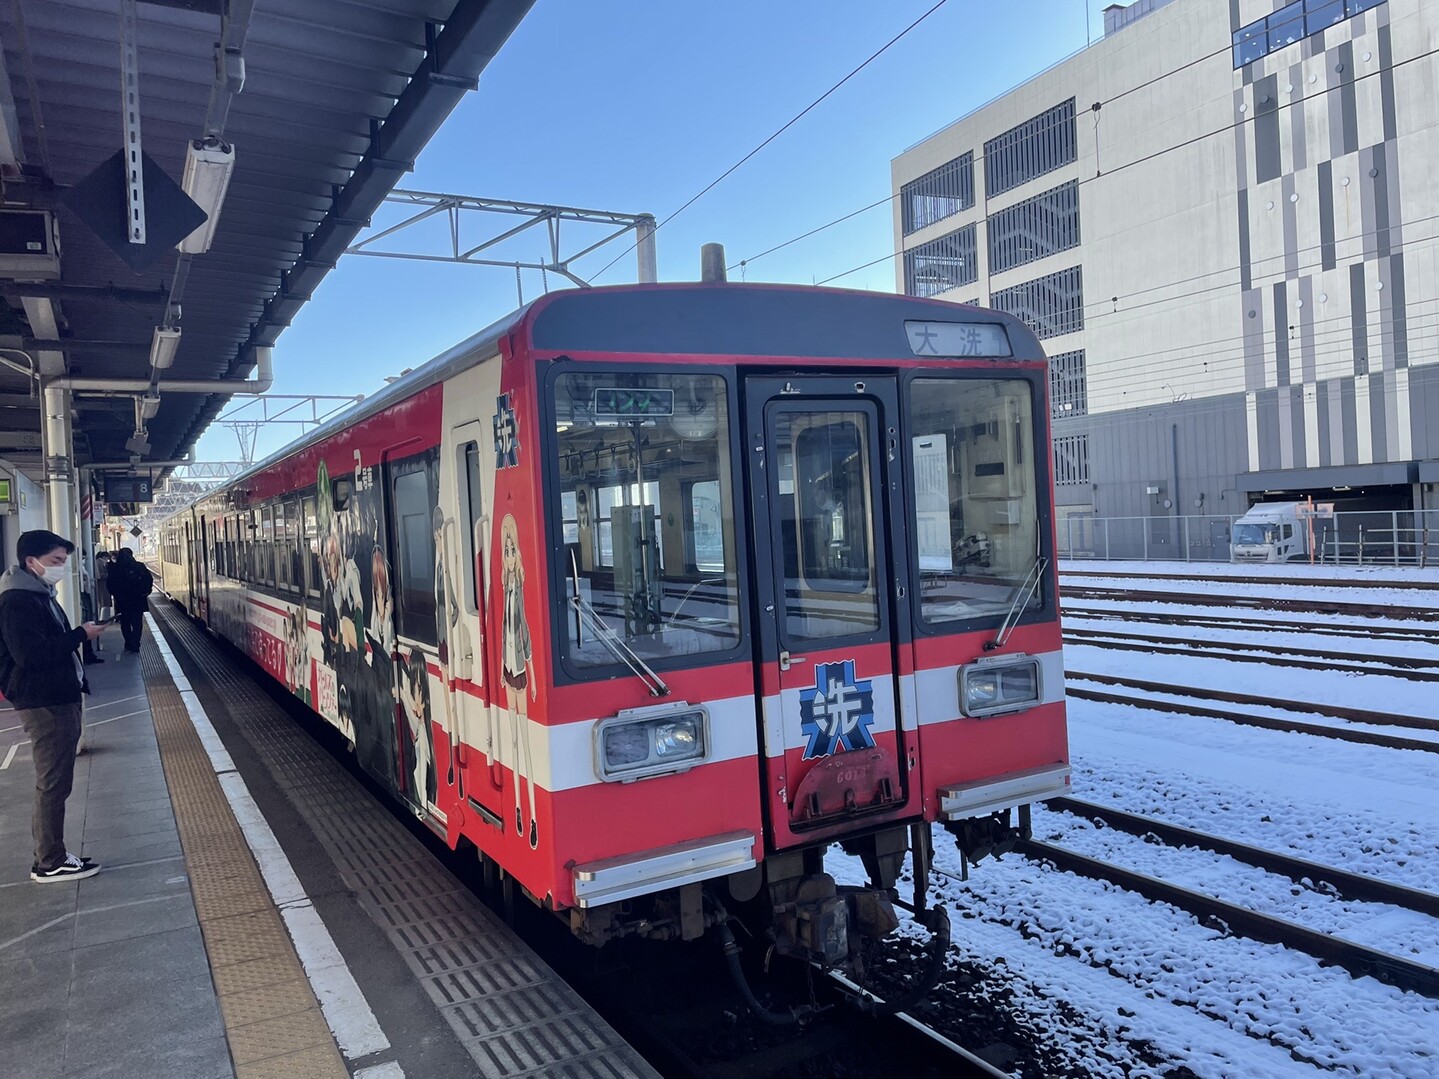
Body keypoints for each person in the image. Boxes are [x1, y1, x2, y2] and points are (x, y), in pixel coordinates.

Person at [0, 529, 105, 882]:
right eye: (56, 561)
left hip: (53, 697)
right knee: (53, 783)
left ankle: (51, 856)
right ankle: (50, 861)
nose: (61, 567)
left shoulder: (36, 593)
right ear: (32, 561)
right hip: (44, 701)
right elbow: (30, 655)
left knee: (54, 782)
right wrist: (80, 635)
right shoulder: (18, 600)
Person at [107, 548, 152, 653]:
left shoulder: (115, 568)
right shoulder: (139, 566)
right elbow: (149, 580)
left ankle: (128, 643)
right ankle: (136, 643)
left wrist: (117, 594)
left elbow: (110, 585)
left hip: (122, 601)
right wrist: (145, 592)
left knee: (125, 623)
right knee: (137, 623)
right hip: (138, 600)